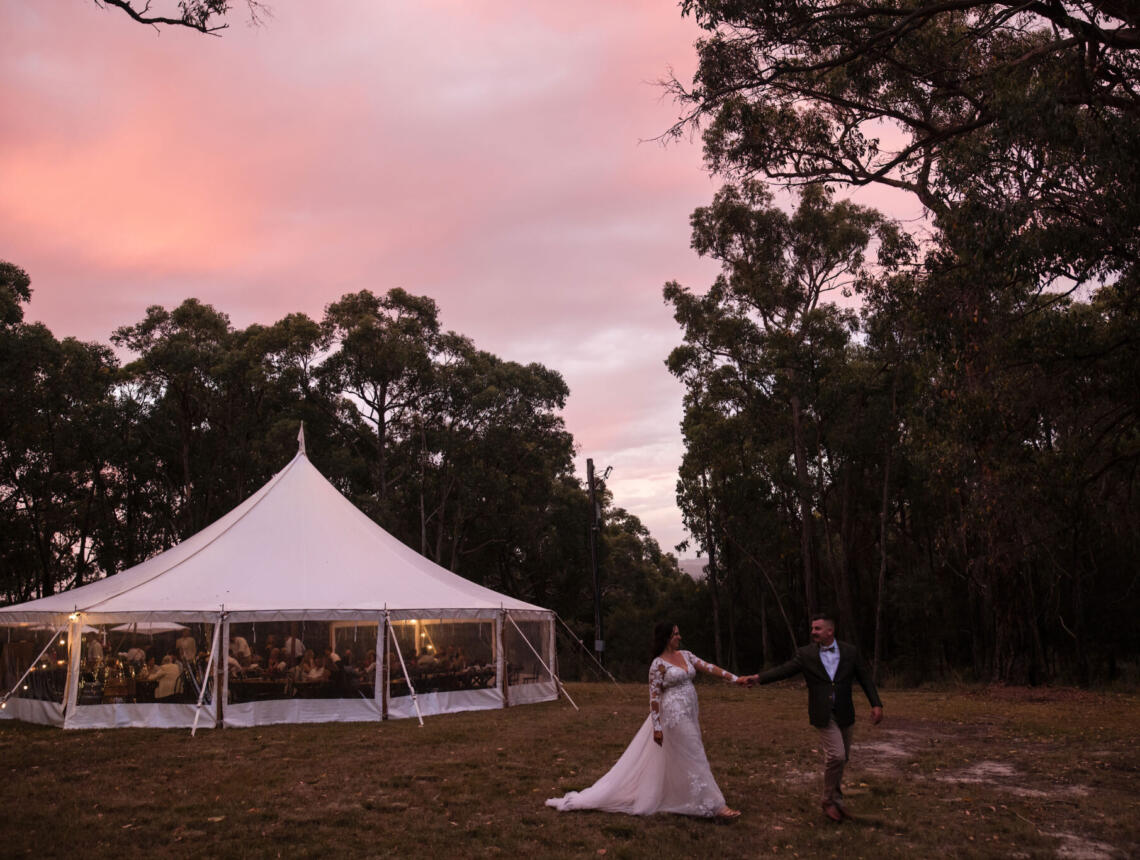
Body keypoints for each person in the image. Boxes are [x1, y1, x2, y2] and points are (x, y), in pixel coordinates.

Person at [546, 622, 743, 819]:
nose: (679, 637)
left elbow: (709, 667)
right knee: (695, 753)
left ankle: (684, 795)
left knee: (687, 753)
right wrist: (657, 727)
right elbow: (654, 697)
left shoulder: (686, 655)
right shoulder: (657, 665)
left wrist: (735, 679)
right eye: (676, 634)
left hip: (689, 710)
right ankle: (716, 806)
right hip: (673, 714)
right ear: (666, 637)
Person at [739, 614, 883, 823]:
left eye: (817, 628)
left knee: (842, 759)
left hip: (845, 713)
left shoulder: (850, 652)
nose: (813, 632)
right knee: (836, 756)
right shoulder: (805, 654)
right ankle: (827, 801)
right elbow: (785, 670)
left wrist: (876, 704)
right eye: (813, 628)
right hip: (823, 714)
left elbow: (865, 679)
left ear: (830, 631)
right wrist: (758, 678)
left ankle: (837, 801)